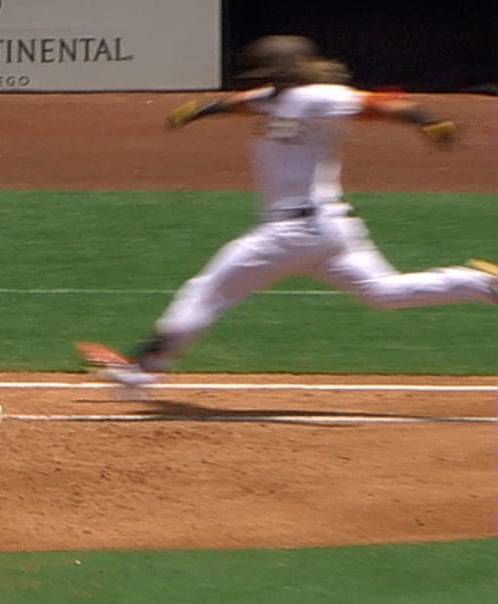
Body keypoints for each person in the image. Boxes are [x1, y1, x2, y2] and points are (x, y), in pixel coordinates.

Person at [77, 34, 498, 389]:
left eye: (265, 74)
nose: (260, 82)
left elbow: (380, 105)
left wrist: (426, 120)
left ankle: (141, 368)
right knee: (383, 292)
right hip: (328, 229)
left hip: (291, 233)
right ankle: (482, 284)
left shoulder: (319, 97)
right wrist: (203, 110)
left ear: (281, 72)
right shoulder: (274, 98)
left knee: (209, 289)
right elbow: (243, 103)